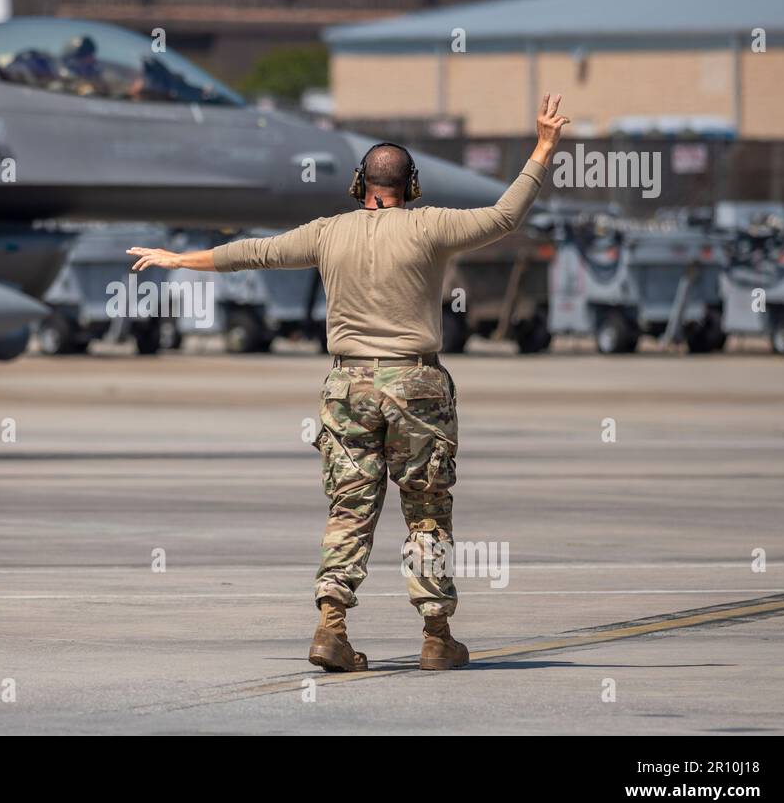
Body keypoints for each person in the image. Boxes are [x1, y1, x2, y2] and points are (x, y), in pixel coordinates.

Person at [127, 95, 571, 672]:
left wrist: (180, 259)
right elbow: (505, 216)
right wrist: (542, 147)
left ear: (360, 184)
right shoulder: (431, 226)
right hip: (416, 386)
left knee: (349, 509)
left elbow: (255, 252)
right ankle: (436, 637)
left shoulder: (326, 233)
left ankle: (331, 627)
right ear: (411, 186)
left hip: (348, 388)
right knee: (427, 510)